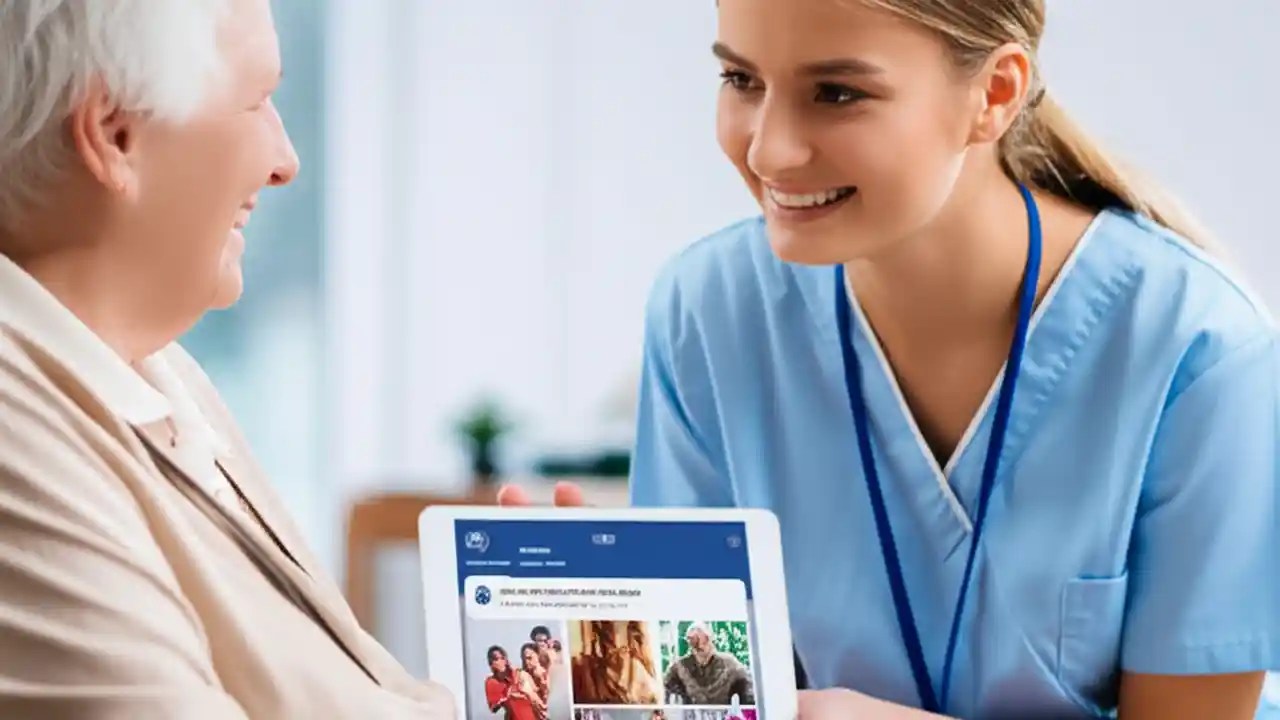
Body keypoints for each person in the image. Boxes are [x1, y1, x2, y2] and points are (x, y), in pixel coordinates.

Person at [500, 0, 1279, 717]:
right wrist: (612, 664)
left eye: (837, 92)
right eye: (741, 78)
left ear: (995, 94)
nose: (768, 148)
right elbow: (715, 698)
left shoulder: (1197, 350)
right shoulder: (709, 312)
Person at [0, 1, 453, 717]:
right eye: (258, 100)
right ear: (113, 132)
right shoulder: (15, 425)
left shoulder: (159, 377)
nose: (285, 161)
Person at [664, 624, 755, 706]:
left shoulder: (730, 664)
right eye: (694, 640)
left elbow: (749, 691)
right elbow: (664, 689)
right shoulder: (680, 667)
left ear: (710, 639)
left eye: (703, 639)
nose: (700, 645)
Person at [484, 647, 539, 720]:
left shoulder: (518, 674)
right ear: (491, 663)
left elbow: (535, 694)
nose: (500, 661)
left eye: (502, 658)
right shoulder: (492, 682)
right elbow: (494, 708)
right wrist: (505, 699)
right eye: (496, 659)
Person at [519, 642, 551, 719]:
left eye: (530, 658)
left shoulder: (546, 673)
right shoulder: (523, 675)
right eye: (524, 659)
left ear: (538, 656)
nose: (526, 662)